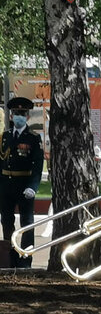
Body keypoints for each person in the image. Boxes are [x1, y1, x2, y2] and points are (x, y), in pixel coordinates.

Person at [1, 96, 43, 269]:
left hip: (24, 184)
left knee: (27, 224)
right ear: (11, 116)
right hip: (5, 186)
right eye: (16, 113)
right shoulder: (4, 136)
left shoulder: (33, 138)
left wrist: (33, 187)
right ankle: (9, 257)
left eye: (22, 113)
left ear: (27, 117)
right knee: (7, 221)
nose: (18, 116)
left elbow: (38, 166)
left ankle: (25, 259)